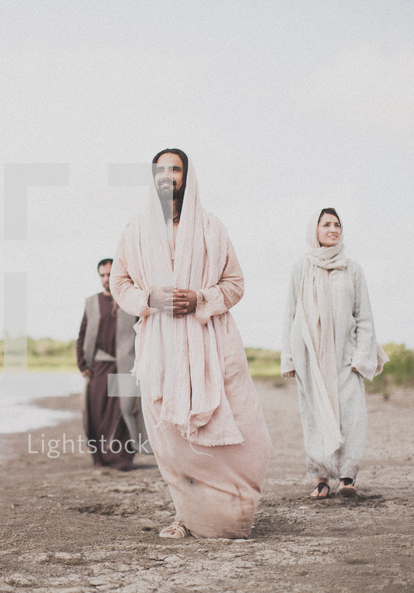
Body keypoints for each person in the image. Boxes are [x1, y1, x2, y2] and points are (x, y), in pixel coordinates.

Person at [110, 148, 272, 539]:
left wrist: (200, 299)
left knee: (248, 434)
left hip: (211, 340)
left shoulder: (212, 228)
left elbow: (235, 284)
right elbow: (120, 283)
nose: (167, 175)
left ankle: (234, 510)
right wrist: (149, 300)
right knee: (172, 439)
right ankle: (185, 517)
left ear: (187, 176)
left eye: (175, 169)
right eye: (160, 169)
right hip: (160, 345)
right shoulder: (135, 229)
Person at [281, 208, 388, 499]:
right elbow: (290, 314)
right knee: (315, 416)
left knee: (352, 415)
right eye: (326, 224)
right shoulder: (300, 268)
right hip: (309, 356)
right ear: (314, 230)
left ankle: (347, 476)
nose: (333, 229)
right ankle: (321, 479)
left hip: (346, 356)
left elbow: (364, 317)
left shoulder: (352, 269)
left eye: (337, 225)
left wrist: (361, 358)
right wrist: (288, 357)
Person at [76, 258, 143, 471]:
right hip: (99, 366)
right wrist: (82, 362)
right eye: (102, 275)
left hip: (124, 366)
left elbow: (144, 333)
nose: (106, 279)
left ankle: (122, 459)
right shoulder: (92, 302)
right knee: (97, 413)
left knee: (123, 412)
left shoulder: (131, 302)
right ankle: (101, 458)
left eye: (110, 274)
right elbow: (82, 334)